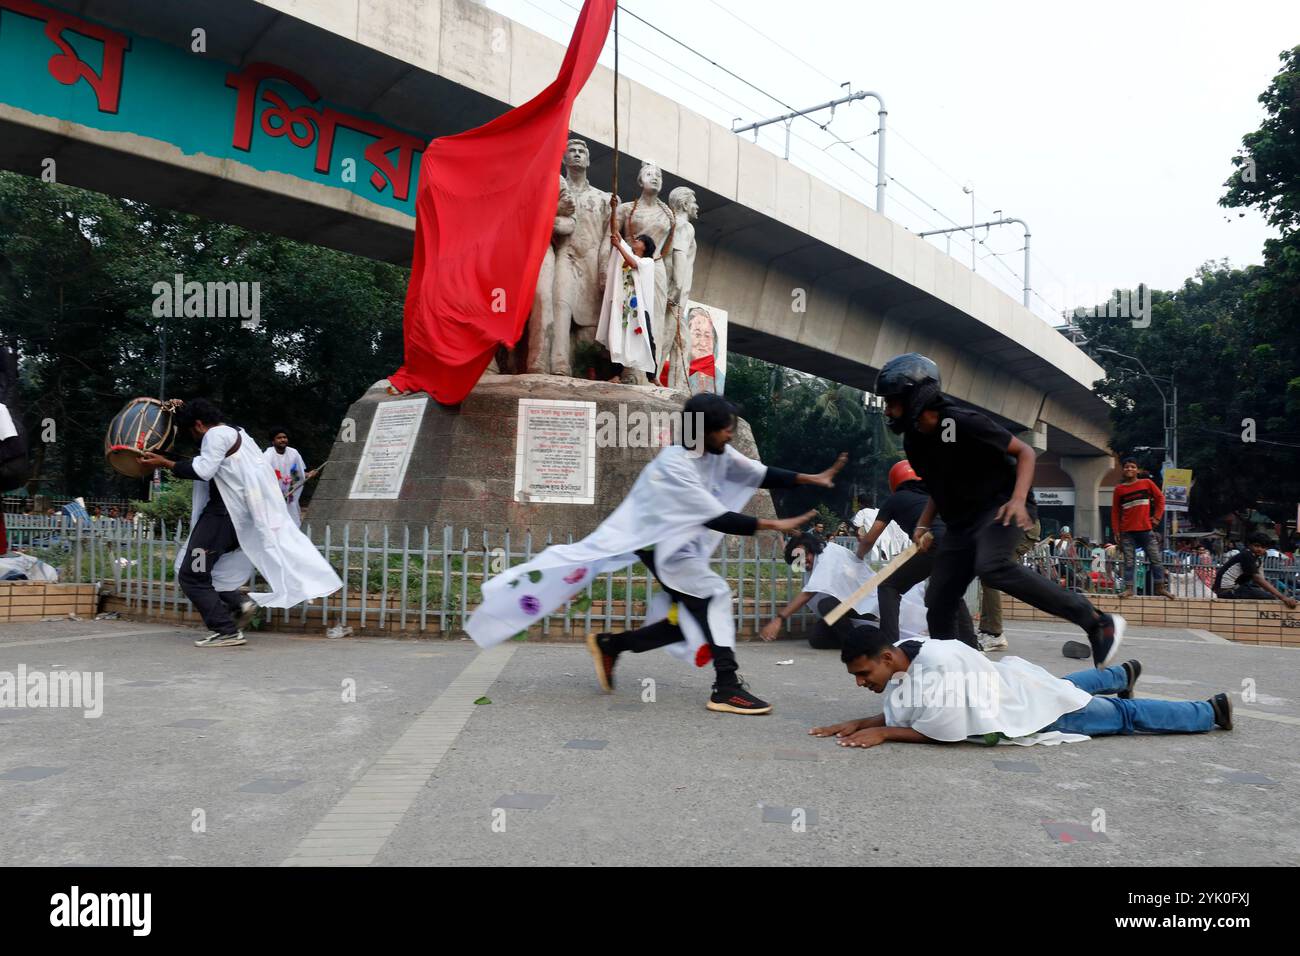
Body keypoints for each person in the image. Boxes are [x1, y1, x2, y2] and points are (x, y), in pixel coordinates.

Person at [467, 393, 847, 715]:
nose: (730, 433)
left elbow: (760, 473)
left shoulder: (717, 452)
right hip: (659, 546)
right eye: (724, 427)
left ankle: (611, 646)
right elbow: (715, 517)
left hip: (679, 545)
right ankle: (726, 687)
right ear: (703, 429)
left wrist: (812, 477)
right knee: (712, 594)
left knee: (687, 621)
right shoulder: (674, 466)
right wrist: (774, 525)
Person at [873, 353, 1126, 669]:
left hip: (1000, 507)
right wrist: (923, 525)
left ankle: (1096, 622)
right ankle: (952, 674)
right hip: (960, 524)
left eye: (892, 401)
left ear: (916, 397)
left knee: (992, 565)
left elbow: (1025, 452)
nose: (887, 409)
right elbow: (939, 485)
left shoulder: (963, 422)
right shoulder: (915, 441)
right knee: (937, 600)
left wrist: (1018, 500)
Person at [808, 626, 1233, 750]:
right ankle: (1120, 676)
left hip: (1028, 708)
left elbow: (941, 731)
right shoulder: (905, 652)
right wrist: (861, 720)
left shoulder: (937, 669)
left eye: (864, 674)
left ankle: (1207, 712)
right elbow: (914, 708)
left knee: (1119, 716)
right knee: (1062, 684)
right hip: (1017, 685)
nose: (864, 683)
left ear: (885, 659)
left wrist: (881, 731)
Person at [138, 398, 342, 648]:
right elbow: (211, 465)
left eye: (192, 431)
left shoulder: (214, 436)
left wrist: (164, 463)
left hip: (221, 520)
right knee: (206, 570)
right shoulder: (237, 433)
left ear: (200, 424)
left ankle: (226, 631)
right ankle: (238, 603)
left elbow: (203, 470)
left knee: (192, 575)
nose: (195, 438)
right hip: (234, 522)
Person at [855, 459, 977, 648]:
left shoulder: (895, 500)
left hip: (933, 544)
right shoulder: (933, 496)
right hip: (960, 545)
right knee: (949, 589)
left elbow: (870, 538)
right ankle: (971, 645)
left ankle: (889, 646)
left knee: (888, 586)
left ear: (894, 481)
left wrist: (858, 556)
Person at [762, 532, 926, 649]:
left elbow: (809, 593)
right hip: (846, 613)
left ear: (809, 548)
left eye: (804, 558)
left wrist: (779, 619)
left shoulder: (828, 555)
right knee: (816, 638)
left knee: (827, 604)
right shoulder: (816, 561)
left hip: (866, 606)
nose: (804, 564)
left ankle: (858, 645)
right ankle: (862, 637)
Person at [596, 196, 658, 377]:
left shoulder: (647, 262)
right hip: (625, 308)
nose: (635, 241)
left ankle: (652, 377)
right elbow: (615, 232)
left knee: (648, 339)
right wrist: (614, 209)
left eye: (639, 240)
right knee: (619, 337)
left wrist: (619, 247)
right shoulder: (628, 252)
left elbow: (633, 264)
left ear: (645, 246)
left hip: (640, 307)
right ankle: (615, 374)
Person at [976, 516, 1040, 652]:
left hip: (1020, 529)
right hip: (1013, 527)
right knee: (987, 578)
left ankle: (995, 633)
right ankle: (987, 630)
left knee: (992, 575)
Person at [1112, 458, 1173, 599]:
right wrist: (1116, 531)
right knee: (1128, 562)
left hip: (1145, 529)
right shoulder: (1119, 489)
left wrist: (1157, 518)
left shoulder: (1147, 483)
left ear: (1137, 470)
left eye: (1133, 467)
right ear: (1123, 469)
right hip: (1126, 531)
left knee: (1156, 559)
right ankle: (1128, 589)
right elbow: (1115, 511)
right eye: (1127, 467)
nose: (1129, 469)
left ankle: (1160, 587)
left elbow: (1161, 499)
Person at [1213, 531, 1298, 606]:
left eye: (1263, 547)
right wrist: (1282, 597)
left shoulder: (1258, 559)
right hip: (1226, 591)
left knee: (1265, 594)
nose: (1259, 549)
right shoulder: (1247, 555)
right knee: (1268, 597)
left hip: (1237, 588)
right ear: (1249, 545)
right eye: (1256, 546)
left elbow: (1261, 578)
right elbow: (1257, 578)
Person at [263, 427, 319, 527]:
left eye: (284, 437)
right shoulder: (267, 456)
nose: (283, 440)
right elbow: (263, 477)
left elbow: (296, 474)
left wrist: (308, 474)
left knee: (293, 523)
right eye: (279, 438)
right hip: (274, 498)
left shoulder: (293, 453)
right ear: (273, 441)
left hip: (290, 496)